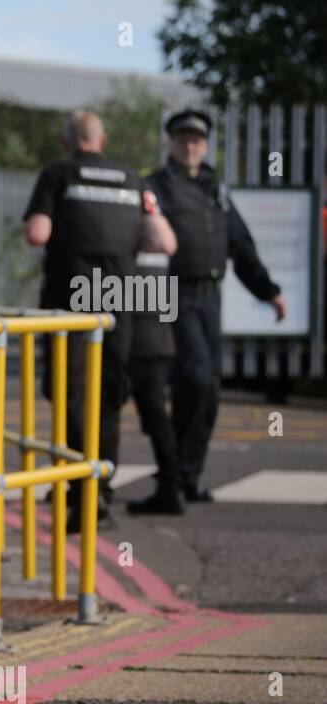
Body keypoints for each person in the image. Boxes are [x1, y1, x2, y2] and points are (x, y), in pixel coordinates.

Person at [24, 111, 176, 531]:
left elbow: (37, 233)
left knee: (70, 394)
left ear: (67, 141)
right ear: (103, 139)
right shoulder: (133, 179)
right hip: (119, 300)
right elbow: (164, 241)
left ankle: (77, 491)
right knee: (108, 398)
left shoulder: (58, 174)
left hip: (69, 296)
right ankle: (101, 496)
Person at [147, 109, 287, 502]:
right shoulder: (155, 187)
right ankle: (171, 479)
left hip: (210, 299)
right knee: (191, 378)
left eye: (197, 140)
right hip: (172, 296)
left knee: (208, 389)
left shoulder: (216, 190)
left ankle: (185, 478)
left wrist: (268, 291)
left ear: (205, 145)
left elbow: (241, 246)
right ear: (170, 143)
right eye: (183, 139)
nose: (190, 146)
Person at [125, 251, 186, 515]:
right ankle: (172, 486)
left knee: (104, 412)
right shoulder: (164, 234)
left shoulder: (127, 226)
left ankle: (95, 491)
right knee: (157, 417)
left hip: (133, 335)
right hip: (158, 334)